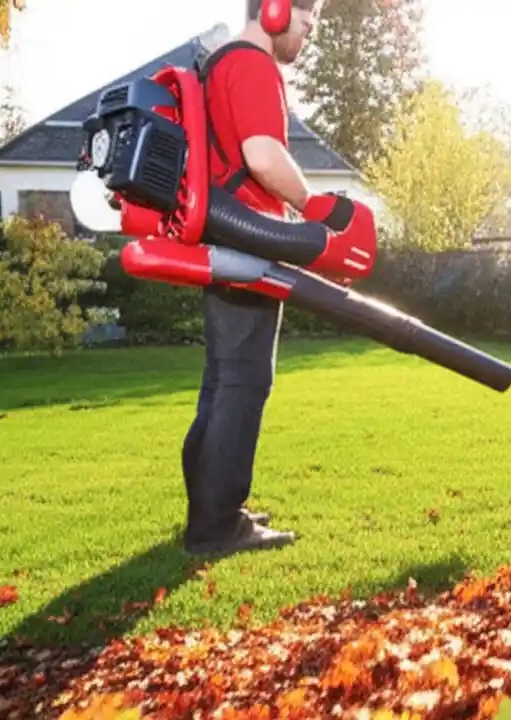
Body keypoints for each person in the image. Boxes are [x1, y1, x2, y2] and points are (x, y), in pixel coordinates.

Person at [180, 0, 325, 557]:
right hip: (245, 239)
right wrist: (316, 207)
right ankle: (216, 525)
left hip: (229, 239)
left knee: (223, 379)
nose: (311, 26)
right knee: (243, 380)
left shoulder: (221, 62)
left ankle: (210, 509)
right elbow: (262, 156)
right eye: (307, 12)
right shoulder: (253, 65)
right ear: (273, 9)